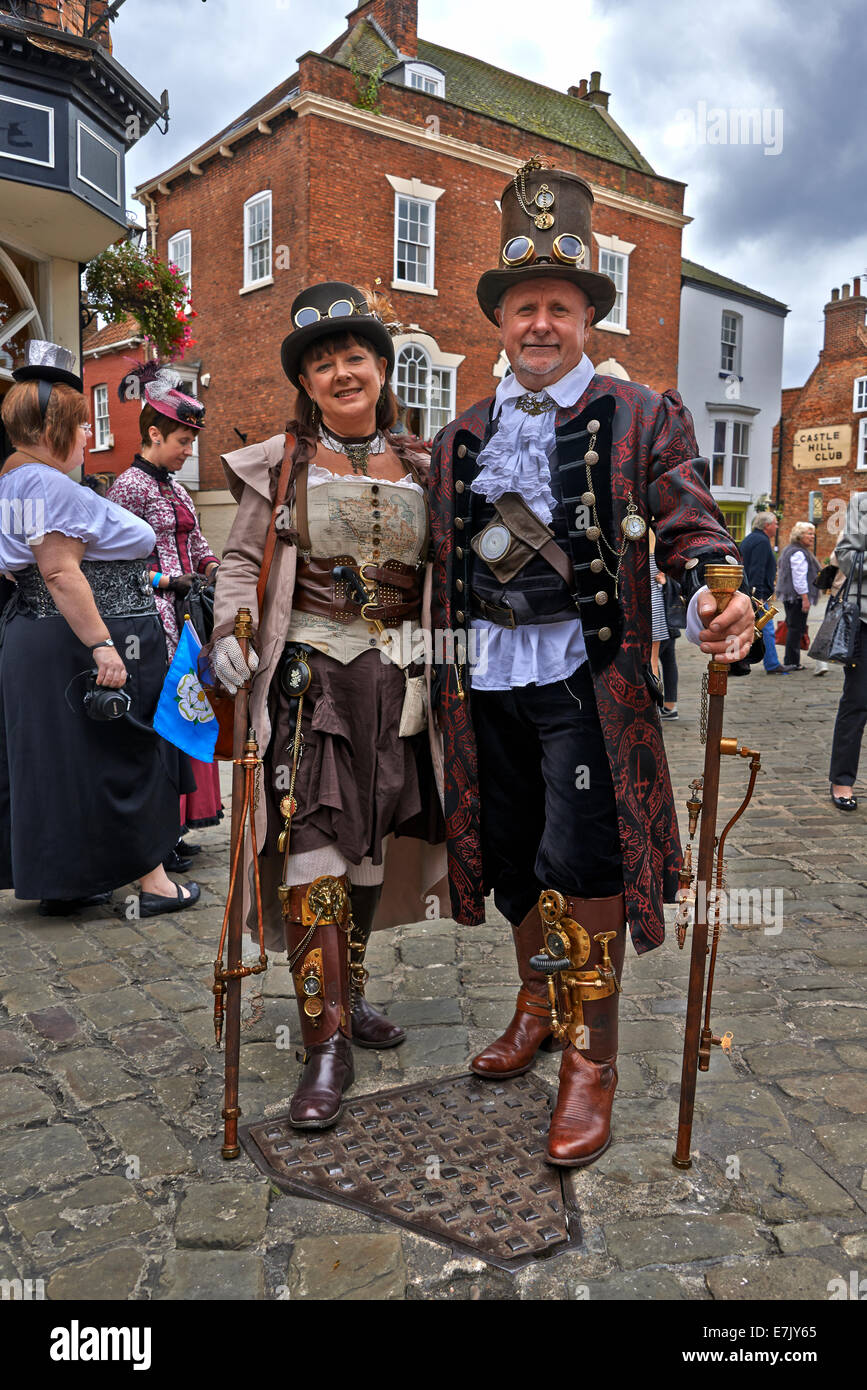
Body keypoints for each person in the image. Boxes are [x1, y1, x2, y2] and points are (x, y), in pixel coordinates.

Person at [428, 162, 754, 1168]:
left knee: (588, 860)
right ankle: (538, 1001)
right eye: (523, 307)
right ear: (501, 319)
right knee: (518, 852)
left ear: (585, 317)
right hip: (484, 679)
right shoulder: (459, 435)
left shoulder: (641, 412)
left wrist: (719, 587)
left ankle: (591, 1057)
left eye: (558, 307)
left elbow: (690, 517)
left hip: (586, 681)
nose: (539, 324)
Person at [208, 282, 446, 1129]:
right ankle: (324, 1045)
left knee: (370, 852)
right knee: (313, 854)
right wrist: (231, 632)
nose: (342, 373)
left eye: (355, 357)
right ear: (305, 383)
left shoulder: (425, 463)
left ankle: (353, 996)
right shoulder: (279, 462)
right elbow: (239, 564)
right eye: (322, 363)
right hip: (312, 684)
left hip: (401, 685)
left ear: (381, 369)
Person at [0, 340, 200, 917]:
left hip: (40, 635)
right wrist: (103, 644)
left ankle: (71, 880)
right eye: (82, 426)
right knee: (127, 751)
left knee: (61, 761)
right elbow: (61, 572)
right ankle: (155, 882)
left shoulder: (14, 480)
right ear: (55, 426)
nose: (90, 437)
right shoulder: (44, 484)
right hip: (90, 634)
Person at [108, 366, 222, 864]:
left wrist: (215, 569)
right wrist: (166, 581)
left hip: (188, 621)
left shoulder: (177, 489)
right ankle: (156, 837)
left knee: (181, 717)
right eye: (182, 439)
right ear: (154, 433)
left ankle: (173, 830)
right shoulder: (127, 488)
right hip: (150, 621)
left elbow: (196, 543)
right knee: (159, 722)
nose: (189, 450)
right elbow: (113, 568)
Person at [828, 492, 867, 811]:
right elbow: (845, 554)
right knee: (857, 701)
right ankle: (842, 779)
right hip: (864, 621)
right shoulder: (862, 503)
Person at [740, 510, 786, 674]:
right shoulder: (761, 541)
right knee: (765, 629)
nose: (777, 526)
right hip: (755, 595)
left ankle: (742, 662)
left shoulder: (752, 538)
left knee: (749, 629)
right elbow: (757, 569)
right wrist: (758, 596)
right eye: (775, 523)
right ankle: (772, 663)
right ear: (767, 525)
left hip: (748, 593)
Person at [776, 521, 820, 671]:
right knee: (795, 629)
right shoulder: (798, 552)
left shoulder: (792, 550)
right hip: (796, 597)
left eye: (813, 534)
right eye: (809, 533)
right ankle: (791, 662)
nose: (812, 537)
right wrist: (805, 598)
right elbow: (799, 578)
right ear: (800, 536)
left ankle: (792, 661)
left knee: (794, 627)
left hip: (792, 597)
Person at [658, 563, 685, 719]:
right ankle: (670, 706)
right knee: (668, 662)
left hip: (662, 621)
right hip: (669, 621)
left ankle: (663, 705)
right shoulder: (670, 563)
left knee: (652, 662)